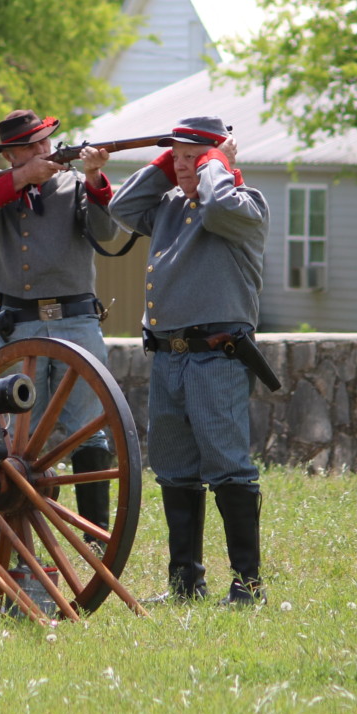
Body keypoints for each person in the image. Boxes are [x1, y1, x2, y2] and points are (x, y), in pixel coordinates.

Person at [109, 115, 271, 605]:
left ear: (214, 161)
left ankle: (248, 586)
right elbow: (121, 205)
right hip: (170, 357)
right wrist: (166, 164)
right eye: (175, 157)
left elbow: (219, 203)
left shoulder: (244, 205)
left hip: (214, 357)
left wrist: (214, 163)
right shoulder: (169, 206)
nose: (182, 167)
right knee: (175, 469)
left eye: (190, 158)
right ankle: (185, 583)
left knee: (228, 468)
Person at [0, 108, 118, 534]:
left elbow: (106, 234)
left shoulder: (76, 185)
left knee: (89, 429)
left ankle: (96, 534)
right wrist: (23, 177)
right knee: (20, 438)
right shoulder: (0, 187)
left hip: (75, 321)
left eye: (43, 142)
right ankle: (23, 523)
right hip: (21, 324)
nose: (42, 150)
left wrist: (95, 178)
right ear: (11, 155)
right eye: (29, 146)